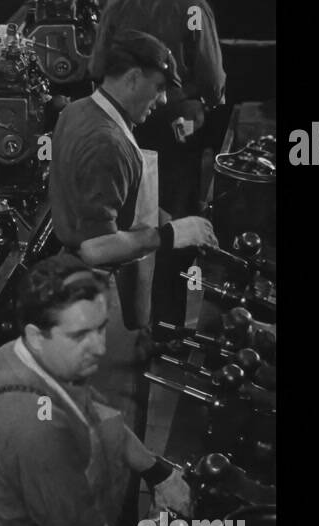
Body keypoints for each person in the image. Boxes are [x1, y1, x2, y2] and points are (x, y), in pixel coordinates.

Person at [0, 255, 192, 526]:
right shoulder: (33, 427)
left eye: (100, 329)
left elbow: (94, 413)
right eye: (80, 336)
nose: (100, 348)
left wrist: (158, 473)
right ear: (37, 336)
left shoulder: (26, 356)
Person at [48, 29, 219, 332]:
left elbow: (112, 197)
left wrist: (171, 221)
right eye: (159, 87)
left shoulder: (77, 110)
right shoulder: (107, 142)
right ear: (133, 78)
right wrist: (171, 234)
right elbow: (97, 248)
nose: (164, 99)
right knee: (114, 370)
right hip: (97, 289)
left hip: (74, 277)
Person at [89, 0, 227, 329]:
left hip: (126, 122)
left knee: (130, 219)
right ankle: (166, 329)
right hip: (176, 127)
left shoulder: (117, 5)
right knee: (175, 224)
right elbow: (212, 80)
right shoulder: (193, 8)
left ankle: (133, 323)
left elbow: (96, 66)